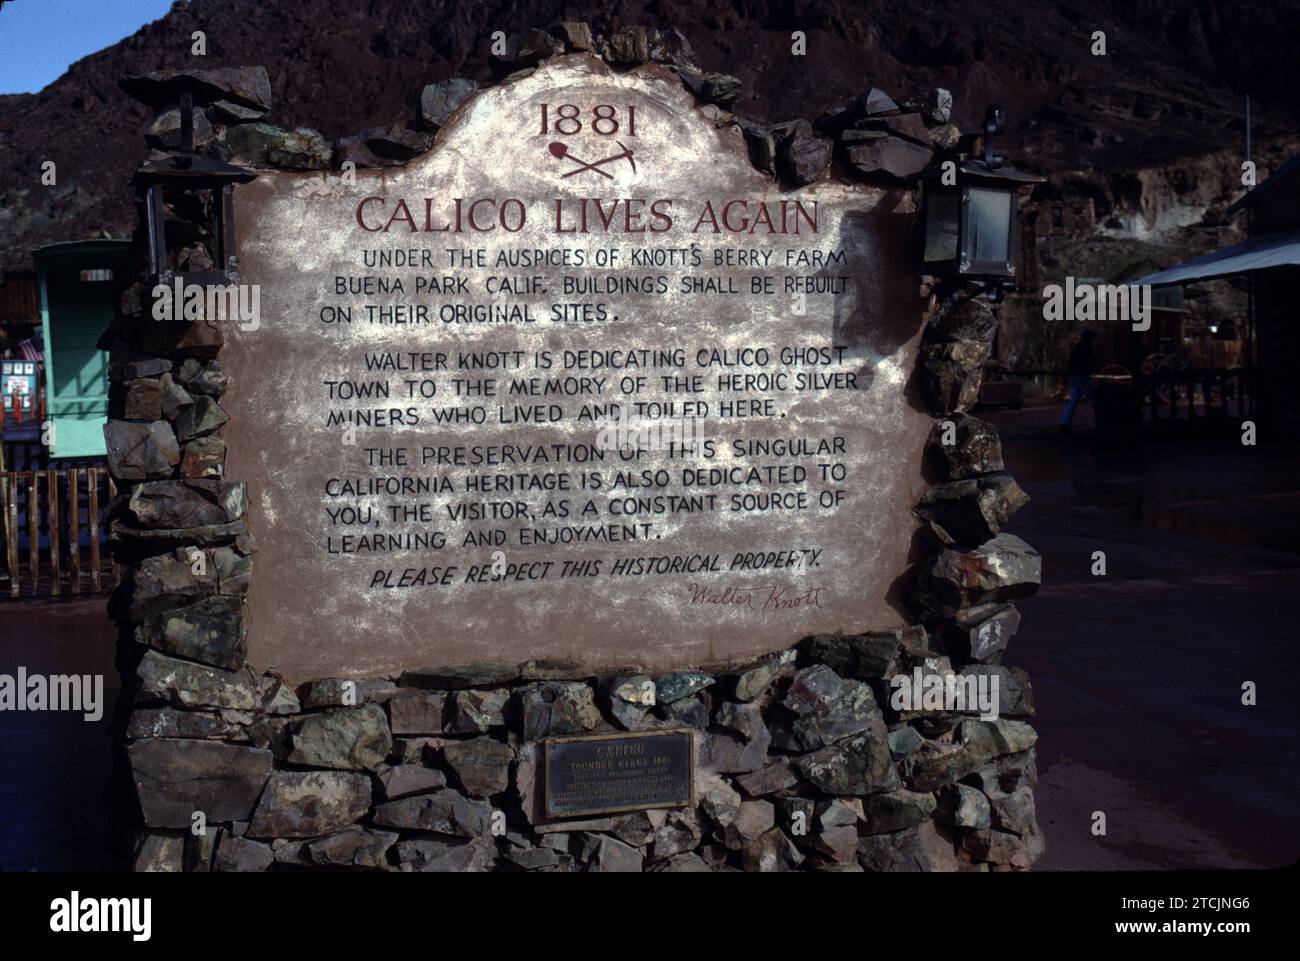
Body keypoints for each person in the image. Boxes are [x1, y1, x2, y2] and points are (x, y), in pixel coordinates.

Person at [1060, 330, 1097, 432]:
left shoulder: (1076, 349)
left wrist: (1067, 378)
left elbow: (1070, 364)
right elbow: (1091, 363)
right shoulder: (1088, 349)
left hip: (1075, 377)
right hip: (1084, 377)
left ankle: (1065, 423)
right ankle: (1100, 422)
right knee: (1094, 400)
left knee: (1072, 401)